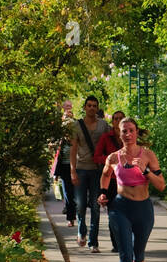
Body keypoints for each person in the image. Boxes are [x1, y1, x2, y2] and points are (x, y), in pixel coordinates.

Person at [98, 118, 166, 262]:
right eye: (123, 131)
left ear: (136, 133)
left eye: (131, 131)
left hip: (143, 209)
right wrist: (103, 192)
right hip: (120, 208)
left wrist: (145, 171)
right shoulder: (113, 158)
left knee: (139, 252)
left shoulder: (148, 155)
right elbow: (105, 175)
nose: (127, 134)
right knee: (125, 252)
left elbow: (161, 184)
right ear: (119, 134)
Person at [69, 96, 109, 252]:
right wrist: (72, 170)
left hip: (98, 170)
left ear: (97, 108)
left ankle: (94, 242)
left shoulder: (104, 125)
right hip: (81, 168)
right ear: (85, 108)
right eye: (89, 105)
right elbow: (73, 149)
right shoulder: (76, 126)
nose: (92, 108)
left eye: (95, 106)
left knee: (95, 206)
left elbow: (110, 143)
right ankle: (81, 230)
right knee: (80, 204)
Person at [95, 111, 125, 252]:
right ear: (112, 121)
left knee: (125, 213)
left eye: (121, 118)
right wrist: (110, 160)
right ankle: (116, 244)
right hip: (111, 180)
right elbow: (97, 156)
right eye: (115, 119)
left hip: (126, 181)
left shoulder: (130, 137)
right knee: (113, 213)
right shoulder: (106, 138)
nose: (118, 121)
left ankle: (125, 241)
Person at [51, 102, 77, 226]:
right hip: (65, 169)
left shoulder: (78, 140)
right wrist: (55, 173)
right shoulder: (61, 141)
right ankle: (70, 218)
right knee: (68, 194)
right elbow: (57, 156)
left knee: (75, 194)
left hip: (77, 168)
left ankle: (76, 214)